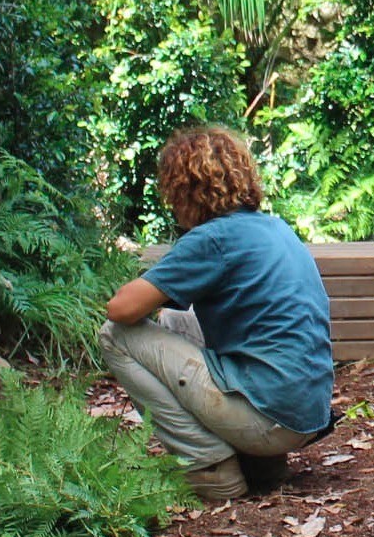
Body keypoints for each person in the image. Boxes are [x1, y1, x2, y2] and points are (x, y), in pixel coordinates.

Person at [99, 125, 335, 503]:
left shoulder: (212, 240)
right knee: (175, 320)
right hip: (304, 413)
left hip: (270, 417)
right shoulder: (275, 227)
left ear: (185, 189)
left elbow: (122, 309)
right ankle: (262, 463)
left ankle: (210, 469)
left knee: (116, 334)